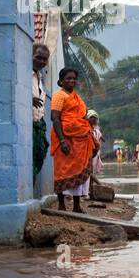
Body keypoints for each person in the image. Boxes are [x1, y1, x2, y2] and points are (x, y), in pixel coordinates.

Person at [49, 67, 95, 213]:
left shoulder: (77, 97)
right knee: (62, 171)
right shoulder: (59, 96)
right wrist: (62, 140)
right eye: (68, 78)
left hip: (80, 140)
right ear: (61, 81)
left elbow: (83, 117)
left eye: (74, 78)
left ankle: (76, 205)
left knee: (79, 171)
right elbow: (55, 118)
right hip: (64, 137)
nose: (71, 81)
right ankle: (61, 204)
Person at [30, 43, 50, 182]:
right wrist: (28, 99)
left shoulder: (39, 78)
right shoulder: (25, 74)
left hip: (38, 124)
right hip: (28, 125)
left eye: (44, 59)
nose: (41, 62)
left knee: (38, 156)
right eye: (38, 58)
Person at [86, 110, 104, 178]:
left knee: (92, 169)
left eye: (95, 118)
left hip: (94, 153)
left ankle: (91, 185)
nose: (94, 119)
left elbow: (101, 139)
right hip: (87, 153)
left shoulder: (96, 131)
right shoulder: (86, 130)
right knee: (89, 170)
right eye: (92, 117)